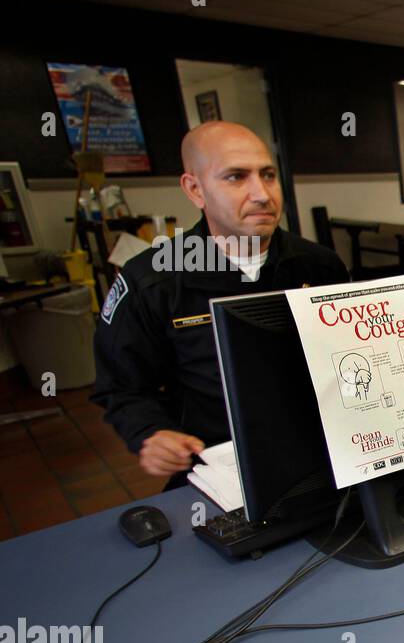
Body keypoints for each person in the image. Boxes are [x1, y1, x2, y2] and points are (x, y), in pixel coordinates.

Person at [92, 121, 349, 486]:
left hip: (323, 455)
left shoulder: (320, 266)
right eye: (236, 177)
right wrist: (151, 432)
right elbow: (122, 386)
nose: (262, 194)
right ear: (195, 190)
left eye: (269, 175)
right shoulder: (153, 282)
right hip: (218, 466)